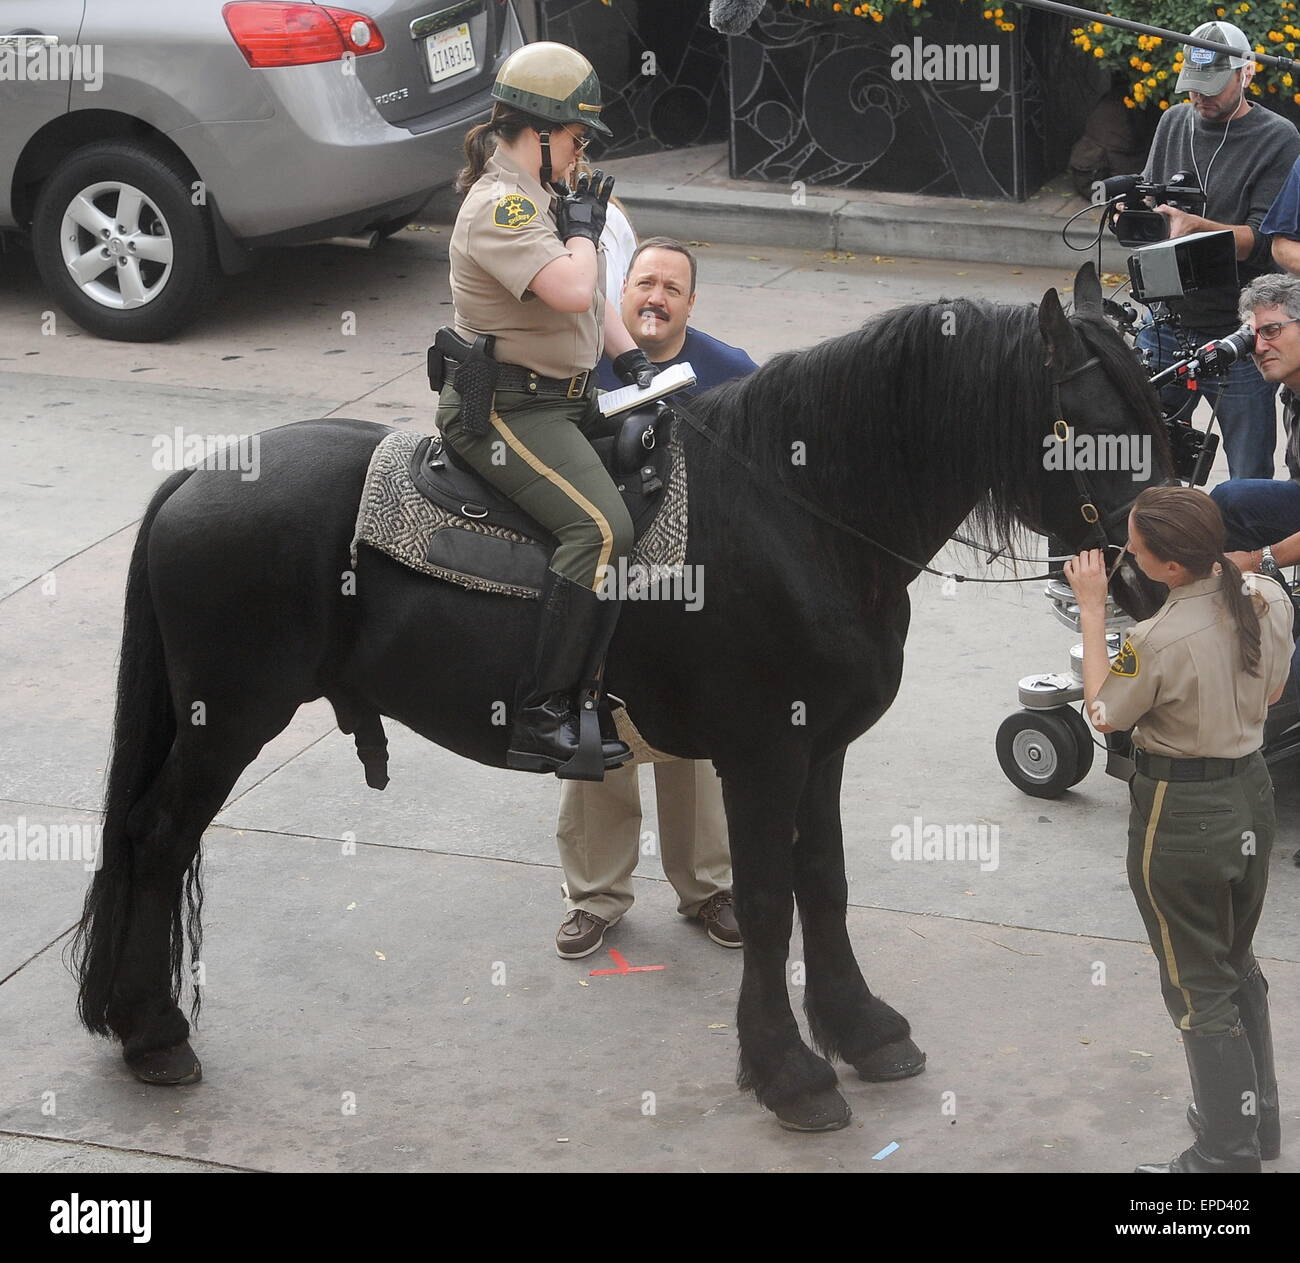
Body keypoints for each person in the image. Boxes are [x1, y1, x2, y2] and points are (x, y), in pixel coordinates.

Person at [437, 42, 663, 779]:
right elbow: (570, 285)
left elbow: (591, 304)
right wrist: (583, 230)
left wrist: (635, 362)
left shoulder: (540, 197)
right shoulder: (500, 204)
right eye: (575, 139)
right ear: (536, 133)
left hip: (566, 396)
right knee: (600, 529)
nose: (581, 154)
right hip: (506, 408)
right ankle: (541, 712)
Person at [1065, 486, 1292, 1172]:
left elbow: (1104, 716)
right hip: (1251, 794)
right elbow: (1275, 692)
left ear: (1167, 567)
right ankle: (1257, 1121)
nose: (1125, 559)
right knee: (1235, 959)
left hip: (1183, 815)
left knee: (1197, 983)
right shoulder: (1268, 596)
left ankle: (1225, 1155)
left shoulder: (1154, 639)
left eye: (1133, 552)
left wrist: (1093, 608)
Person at [555, 237, 757, 959]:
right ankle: (596, 897)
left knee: (692, 741)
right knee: (598, 734)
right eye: (645, 283)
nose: (656, 297)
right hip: (604, 589)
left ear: (690, 304)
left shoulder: (730, 372)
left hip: (693, 595)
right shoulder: (583, 361)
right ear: (622, 292)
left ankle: (709, 889)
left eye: (672, 287)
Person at [1126, 20, 1300, 479]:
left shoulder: (1278, 137)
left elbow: (1266, 243)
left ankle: (1246, 551)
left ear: (1246, 74)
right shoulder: (1172, 121)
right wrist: (1141, 212)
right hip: (1164, 323)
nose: (1200, 98)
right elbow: (1152, 197)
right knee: (1142, 458)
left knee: (1248, 469)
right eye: (1192, 88)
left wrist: (1199, 229)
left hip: (1238, 331)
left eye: (1212, 88)